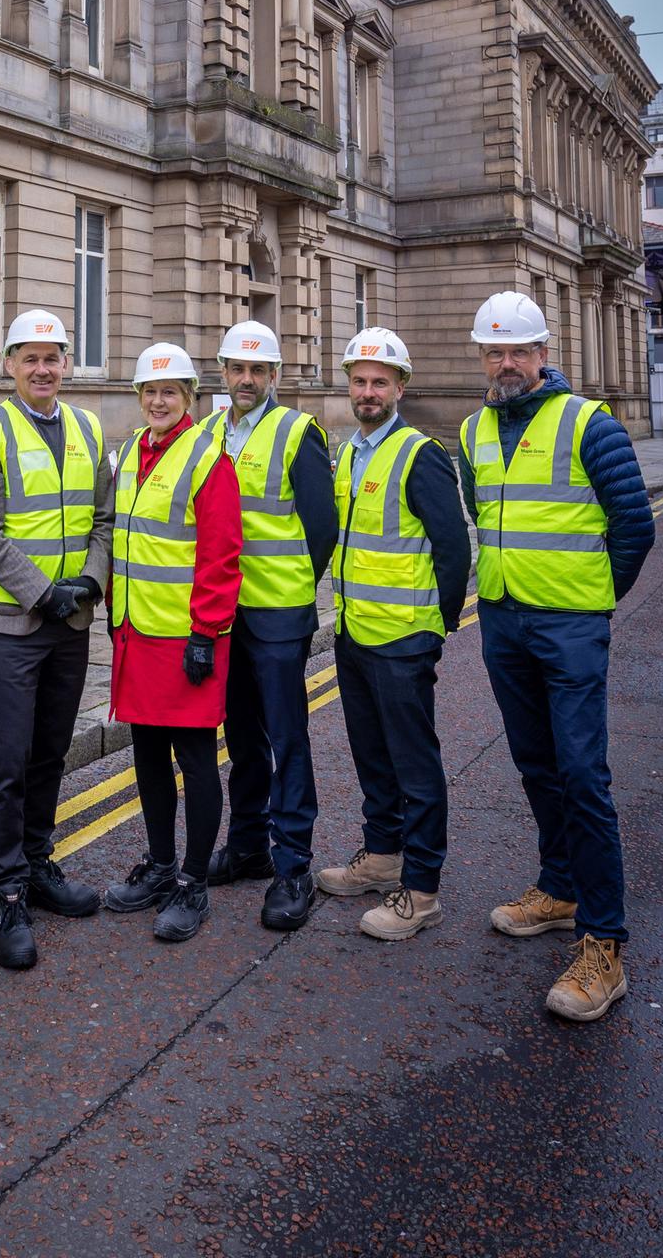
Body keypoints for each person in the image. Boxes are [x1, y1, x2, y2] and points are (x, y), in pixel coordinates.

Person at [459, 290, 654, 1022]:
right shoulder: (474, 430)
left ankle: (603, 943)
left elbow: (634, 529)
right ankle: (557, 886)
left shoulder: (587, 423)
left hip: (569, 625)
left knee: (580, 773)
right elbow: (483, 515)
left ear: (544, 354)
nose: (506, 363)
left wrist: (592, 602)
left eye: (518, 350)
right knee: (536, 763)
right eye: (494, 351)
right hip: (503, 622)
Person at [0, 310, 114, 970]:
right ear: (10, 364)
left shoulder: (86, 426)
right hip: (14, 627)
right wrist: (40, 592)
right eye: (30, 358)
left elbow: (104, 520)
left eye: (53, 357)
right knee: (8, 760)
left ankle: (39, 863)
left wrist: (89, 583)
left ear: (66, 364)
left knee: (51, 752)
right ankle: (7, 890)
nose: (43, 368)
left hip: (70, 623)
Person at [315, 327, 471, 941]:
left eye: (380, 381)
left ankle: (423, 889)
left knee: (414, 765)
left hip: (404, 638)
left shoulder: (420, 452)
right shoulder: (351, 452)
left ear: (400, 386)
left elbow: (454, 548)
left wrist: (439, 624)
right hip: (356, 632)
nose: (369, 391)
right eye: (360, 381)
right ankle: (382, 858)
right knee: (372, 756)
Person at [103, 345, 242, 944]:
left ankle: (192, 882)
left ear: (188, 398)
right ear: (139, 397)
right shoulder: (130, 454)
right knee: (148, 759)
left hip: (189, 644)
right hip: (138, 638)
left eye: (170, 393)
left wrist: (205, 635)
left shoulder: (209, 460)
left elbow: (221, 556)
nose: (158, 402)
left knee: (196, 762)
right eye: (149, 392)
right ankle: (160, 866)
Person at [205, 321, 337, 931]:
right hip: (225, 615)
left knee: (287, 739)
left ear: (276, 376)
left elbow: (320, 528)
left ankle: (294, 866)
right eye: (238, 369)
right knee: (243, 738)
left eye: (259, 371)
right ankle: (250, 845)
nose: (247, 380)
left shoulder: (296, 431)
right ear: (224, 371)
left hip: (279, 614)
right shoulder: (208, 432)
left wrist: (290, 592)